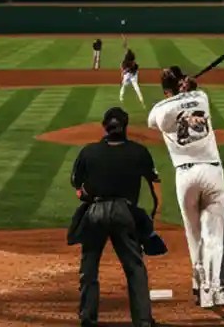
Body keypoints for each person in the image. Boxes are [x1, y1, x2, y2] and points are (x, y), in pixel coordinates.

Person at [69, 106, 160, 327]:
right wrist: (152, 215)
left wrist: (84, 195)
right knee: (134, 268)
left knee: (89, 267)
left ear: (104, 127)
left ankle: (88, 318)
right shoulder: (139, 152)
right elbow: (154, 184)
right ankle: (143, 321)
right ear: (125, 127)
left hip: (95, 212)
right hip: (125, 212)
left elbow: (76, 185)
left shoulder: (89, 151)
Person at [148, 66, 224, 308]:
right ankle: (215, 291)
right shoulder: (201, 97)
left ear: (165, 91)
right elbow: (194, 96)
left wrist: (176, 97)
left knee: (194, 236)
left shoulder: (160, 111)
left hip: (185, 176)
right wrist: (188, 91)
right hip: (212, 172)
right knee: (214, 236)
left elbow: (154, 119)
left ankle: (199, 288)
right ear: (184, 81)